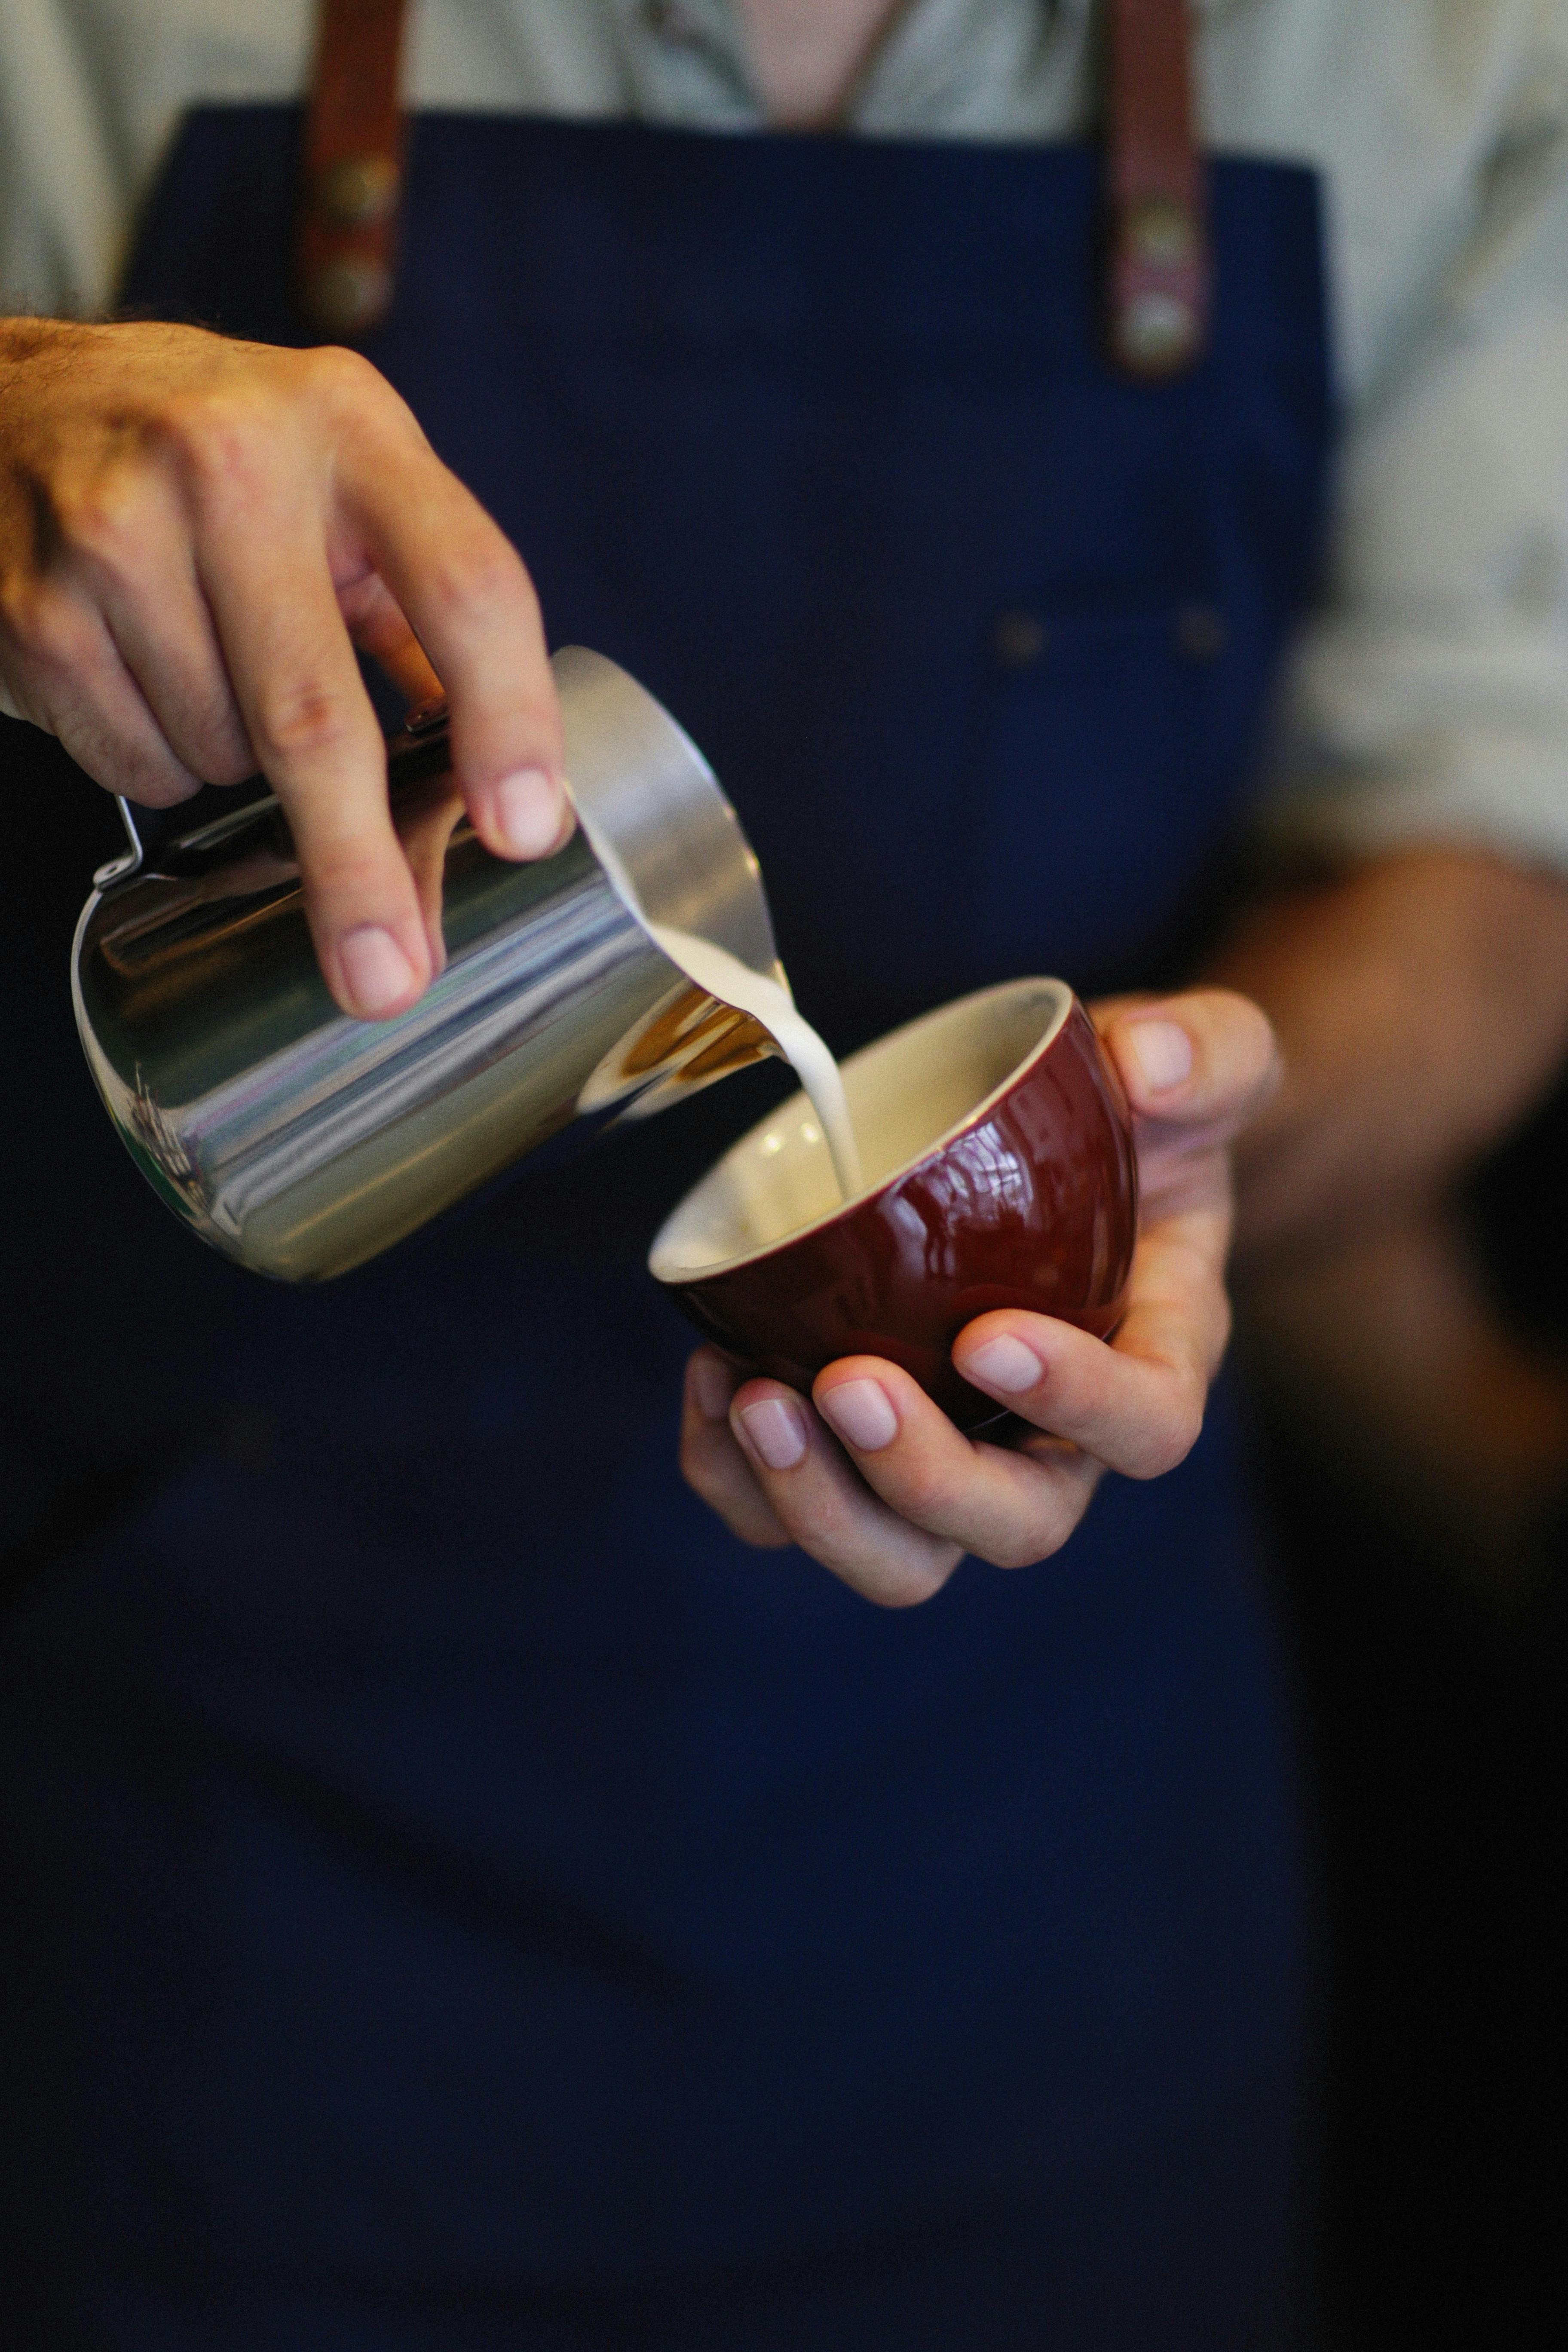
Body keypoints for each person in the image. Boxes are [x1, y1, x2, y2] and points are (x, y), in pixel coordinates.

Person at [3, 3, 1568, 2343]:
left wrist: (1193, 1120)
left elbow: (1489, 874)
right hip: (207, 1895)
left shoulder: (1445, 44)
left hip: (1038, 1955)